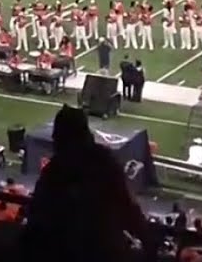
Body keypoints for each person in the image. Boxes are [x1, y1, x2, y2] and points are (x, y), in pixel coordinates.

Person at [21, 106, 149, 262]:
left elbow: (37, 214)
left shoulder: (55, 170)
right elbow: (128, 206)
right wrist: (147, 241)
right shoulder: (103, 162)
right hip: (99, 250)